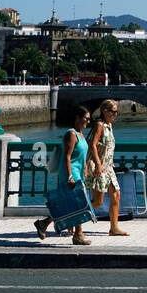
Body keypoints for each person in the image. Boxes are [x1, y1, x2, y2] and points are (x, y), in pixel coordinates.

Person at [34, 105, 93, 246]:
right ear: (77, 118)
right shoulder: (71, 134)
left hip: (78, 171)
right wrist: (69, 176)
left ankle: (44, 223)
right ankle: (78, 235)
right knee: (78, 203)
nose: (88, 122)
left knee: (70, 204)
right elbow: (67, 156)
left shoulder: (81, 134)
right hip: (70, 172)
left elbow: (82, 155)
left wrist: (85, 167)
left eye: (89, 119)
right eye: (86, 118)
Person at [86, 100, 128, 236]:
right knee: (98, 202)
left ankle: (114, 228)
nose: (115, 115)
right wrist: (98, 164)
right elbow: (92, 145)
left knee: (116, 195)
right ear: (104, 111)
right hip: (99, 167)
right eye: (113, 112)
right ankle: (71, 219)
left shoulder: (109, 125)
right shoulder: (99, 125)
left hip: (108, 168)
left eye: (117, 112)